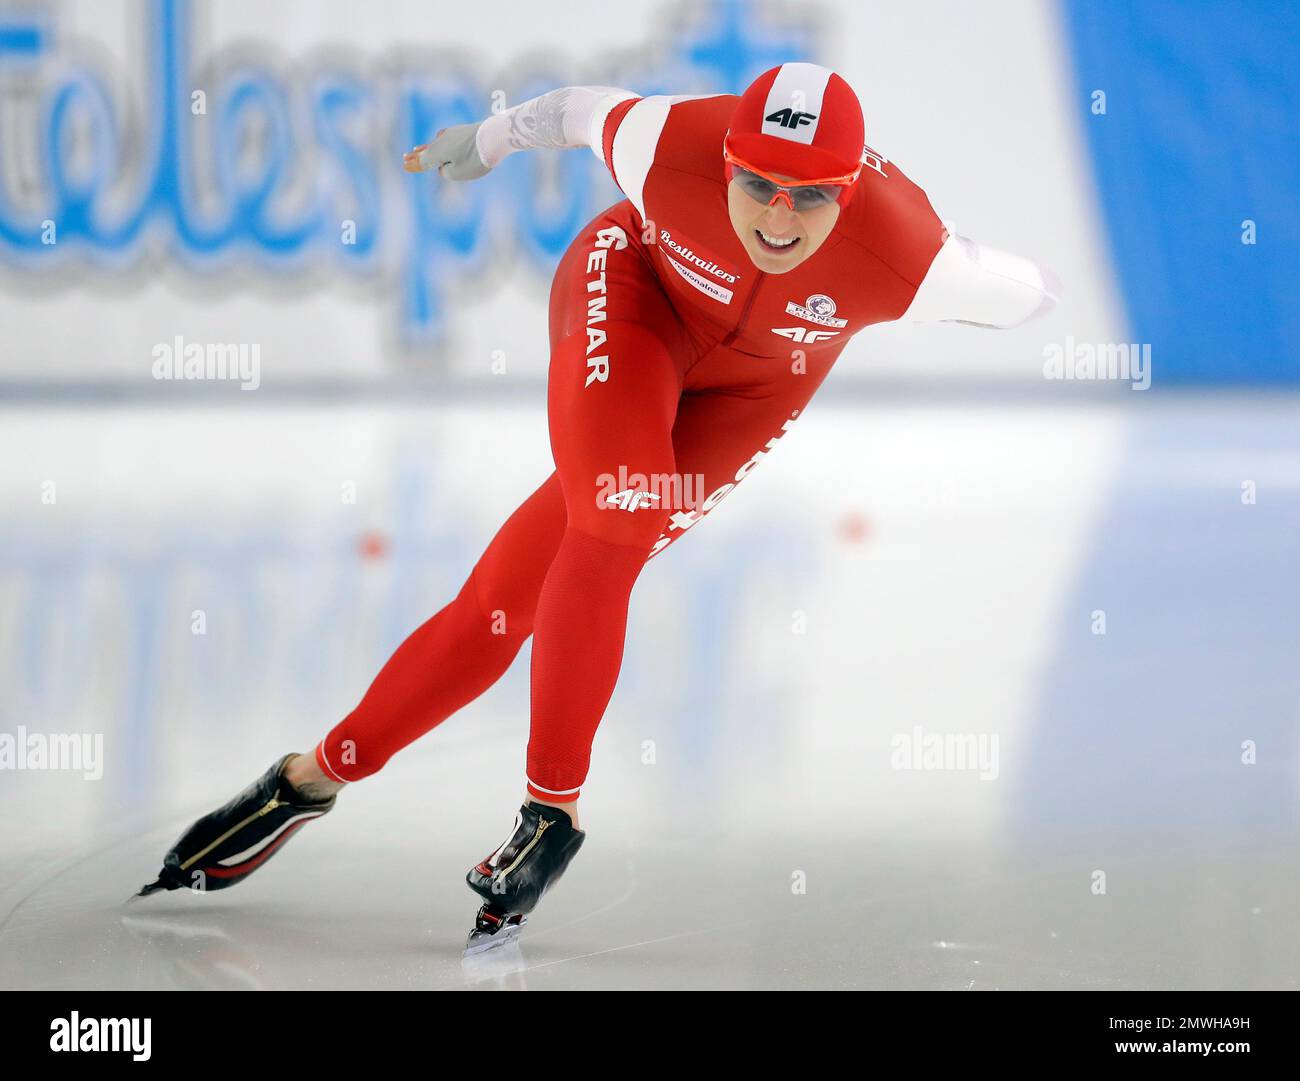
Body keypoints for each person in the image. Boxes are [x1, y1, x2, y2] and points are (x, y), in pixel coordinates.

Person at [139, 63, 1059, 952]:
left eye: (810, 196)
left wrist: (1012, 287)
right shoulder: (666, 143)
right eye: (758, 184)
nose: (778, 218)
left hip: (754, 391)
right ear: (727, 160)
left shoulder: (915, 257)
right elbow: (578, 110)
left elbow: (1029, 294)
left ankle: (308, 778)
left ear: (849, 191)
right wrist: (486, 141)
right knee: (615, 514)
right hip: (634, 299)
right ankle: (554, 810)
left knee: (508, 602)